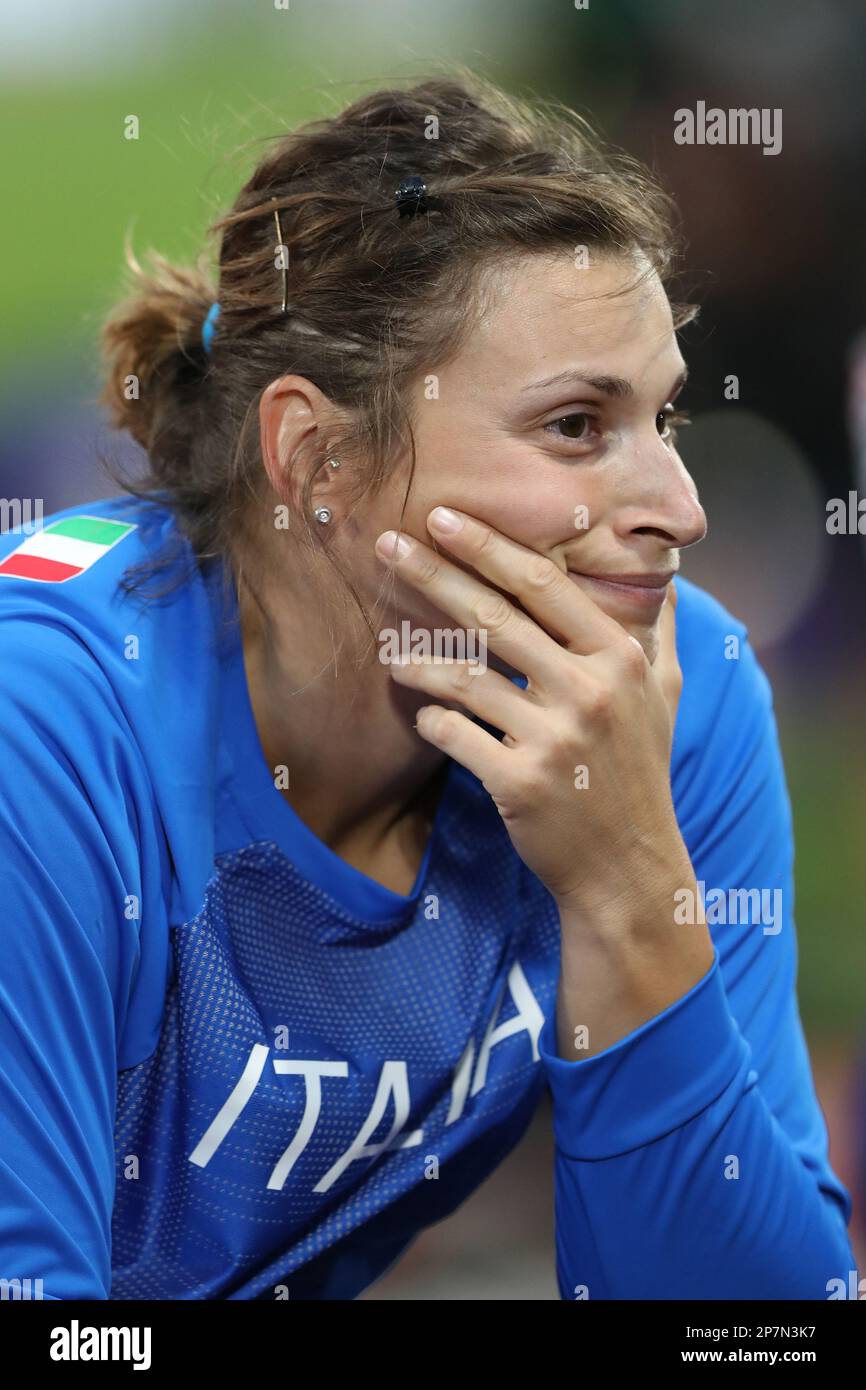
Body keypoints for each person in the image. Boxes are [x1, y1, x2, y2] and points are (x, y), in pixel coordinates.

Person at [0, 73, 856, 1301]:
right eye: (574, 425)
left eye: (662, 419)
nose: (681, 509)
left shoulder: (665, 700)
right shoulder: (45, 730)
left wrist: (627, 899)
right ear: (316, 458)